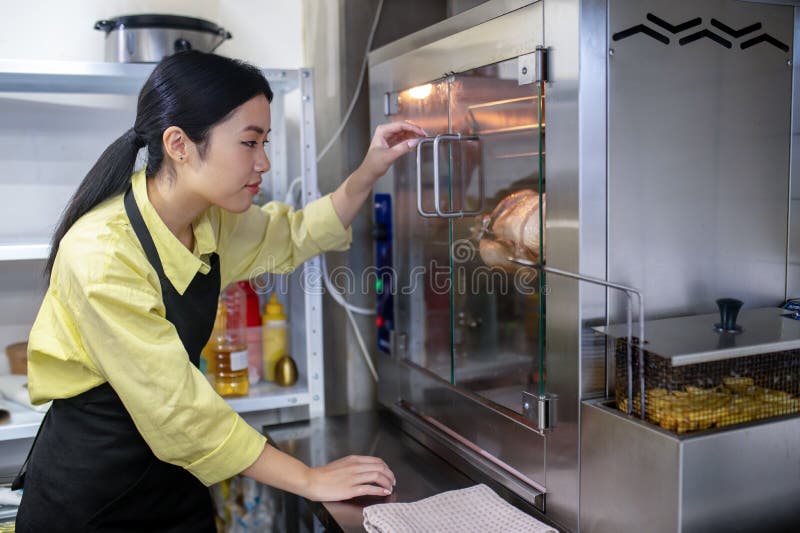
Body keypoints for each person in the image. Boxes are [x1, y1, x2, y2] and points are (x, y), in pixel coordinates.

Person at [14, 50, 424, 532]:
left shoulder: (208, 221)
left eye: (265, 142)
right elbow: (179, 413)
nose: (264, 162)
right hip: (92, 497)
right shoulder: (103, 254)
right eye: (249, 143)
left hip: (172, 479)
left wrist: (370, 170)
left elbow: (293, 234)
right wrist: (311, 480)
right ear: (179, 144)